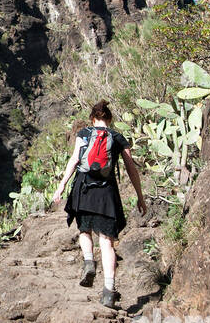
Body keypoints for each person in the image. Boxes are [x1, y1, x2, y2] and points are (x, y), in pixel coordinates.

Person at [51, 101, 146, 308]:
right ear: (109, 119)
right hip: (106, 192)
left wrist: (60, 187)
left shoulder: (84, 134)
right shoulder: (118, 138)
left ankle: (88, 261)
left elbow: (74, 160)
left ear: (93, 119)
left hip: (83, 188)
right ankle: (109, 292)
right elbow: (131, 169)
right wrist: (140, 195)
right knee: (106, 242)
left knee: (85, 231)